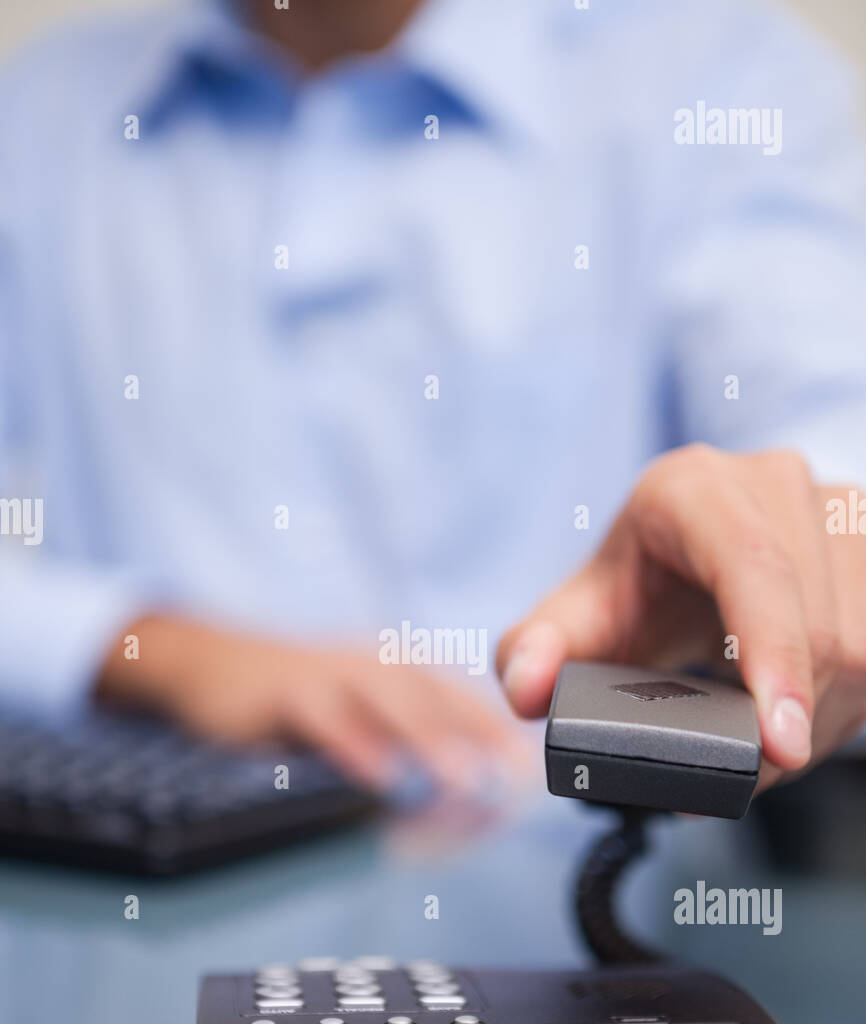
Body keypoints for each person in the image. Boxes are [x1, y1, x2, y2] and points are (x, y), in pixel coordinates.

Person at [0, 0, 864, 797]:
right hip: (133, 901)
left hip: (560, 893)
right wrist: (148, 651)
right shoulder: (40, 115)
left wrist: (796, 551)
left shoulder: (723, 77)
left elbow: (834, 422)